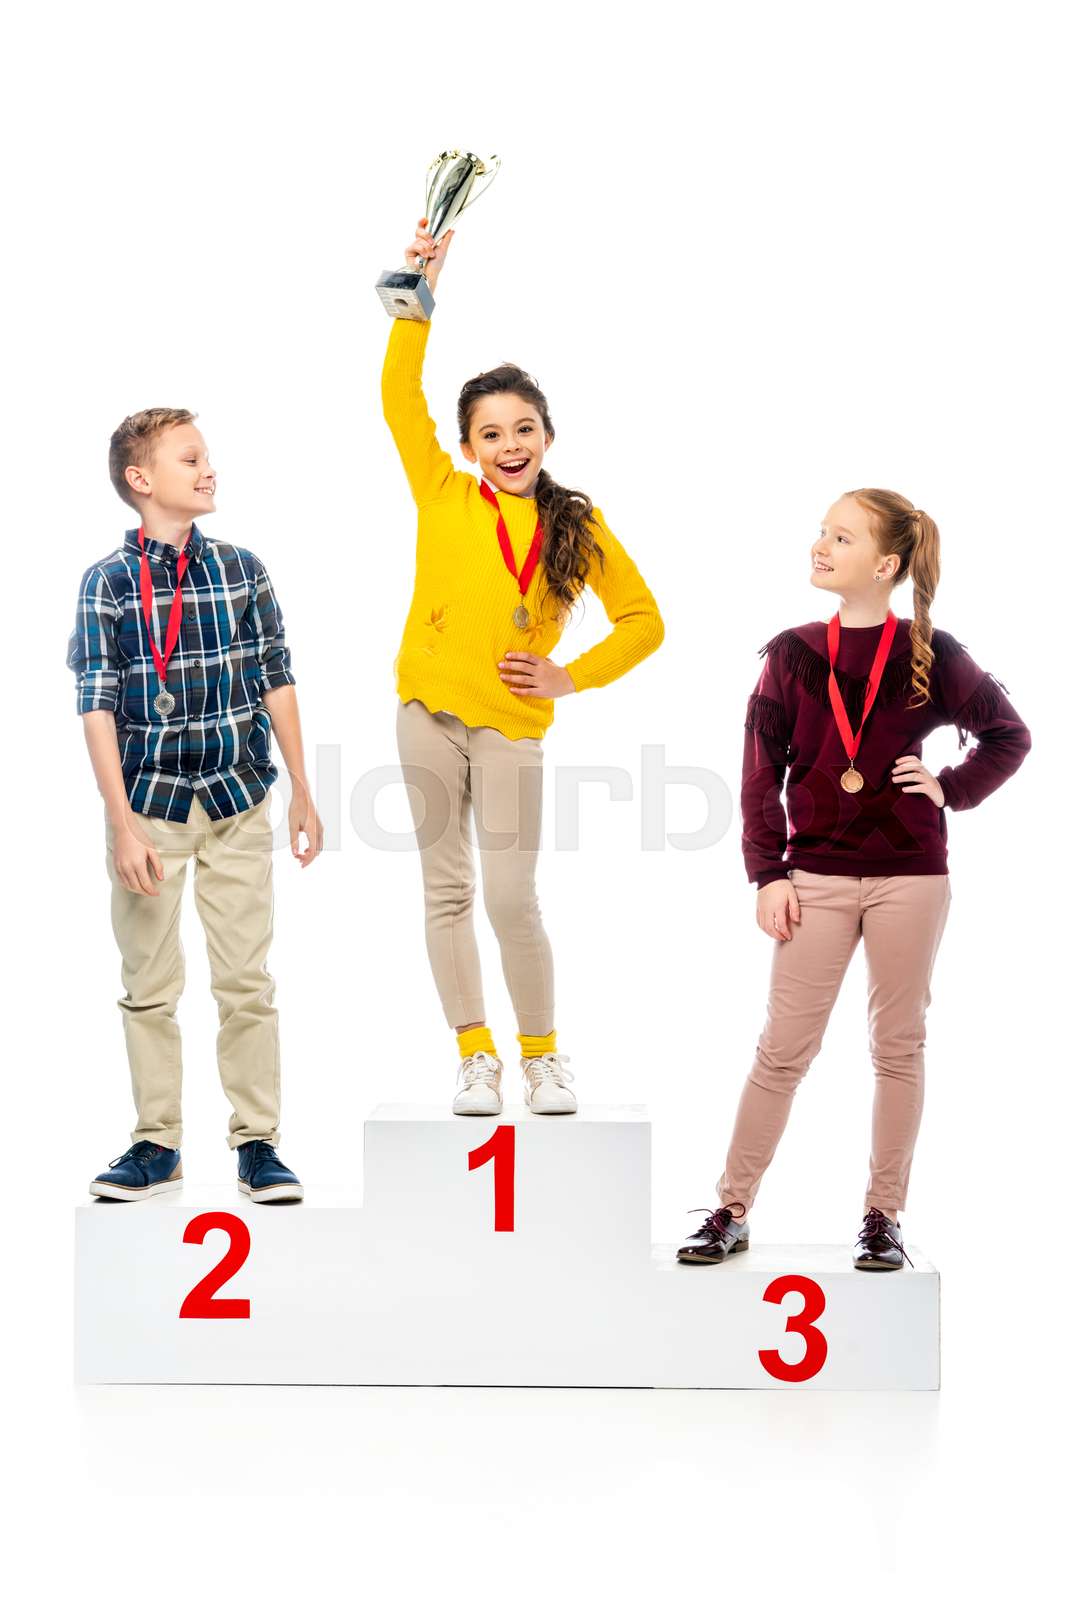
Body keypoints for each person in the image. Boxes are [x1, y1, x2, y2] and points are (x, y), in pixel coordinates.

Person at [677, 488, 1030, 1269]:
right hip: (815, 878)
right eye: (822, 532)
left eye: (842, 537)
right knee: (783, 1050)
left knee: (898, 1046)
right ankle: (731, 1208)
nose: (821, 545)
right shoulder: (794, 654)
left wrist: (950, 787)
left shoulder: (932, 653)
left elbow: (1009, 735)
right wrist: (768, 874)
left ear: (886, 563)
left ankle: (883, 1216)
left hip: (912, 877)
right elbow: (758, 775)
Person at [383, 220, 665, 1116]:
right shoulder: (443, 493)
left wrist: (569, 676)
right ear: (468, 446)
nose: (510, 444)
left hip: (511, 727)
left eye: (524, 428)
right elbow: (399, 397)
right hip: (428, 713)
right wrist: (417, 299)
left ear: (547, 434)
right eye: (490, 432)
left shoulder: (578, 525)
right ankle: (476, 1056)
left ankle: (542, 1056)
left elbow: (645, 622)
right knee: (446, 892)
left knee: (511, 897)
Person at [67, 408, 323, 1202]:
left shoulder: (243, 569)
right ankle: (158, 1142)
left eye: (206, 456)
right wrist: (121, 826)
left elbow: (275, 675)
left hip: (237, 799)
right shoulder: (108, 582)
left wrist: (303, 789)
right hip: (150, 808)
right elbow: (96, 706)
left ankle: (258, 1142)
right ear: (141, 479)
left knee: (246, 980)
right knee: (149, 985)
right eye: (190, 458)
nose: (209, 470)